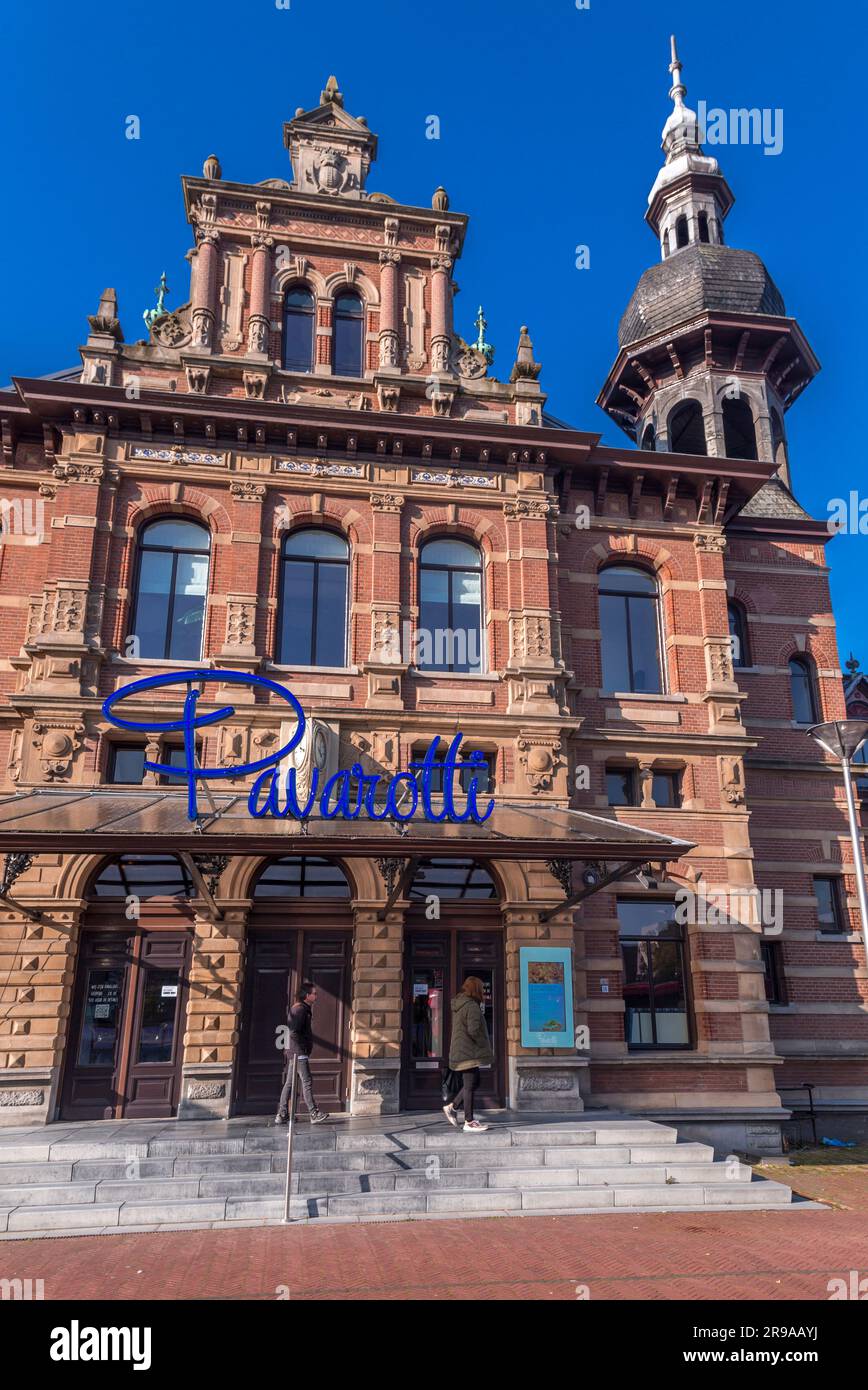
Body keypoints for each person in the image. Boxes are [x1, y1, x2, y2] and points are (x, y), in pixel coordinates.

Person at [443, 976, 493, 1133]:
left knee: (474, 1081)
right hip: (468, 1053)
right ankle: (469, 1121)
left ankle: (453, 1106)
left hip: (463, 1051)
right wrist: (483, 1043)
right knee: (470, 1084)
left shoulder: (461, 1003)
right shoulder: (471, 1006)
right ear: (477, 990)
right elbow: (473, 1030)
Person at [275, 981, 329, 1125]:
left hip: (295, 1052)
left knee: (290, 1084)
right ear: (307, 995)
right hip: (298, 1053)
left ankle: (282, 1114)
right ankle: (314, 1113)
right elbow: (293, 1032)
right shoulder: (300, 1010)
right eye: (314, 994)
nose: (316, 996)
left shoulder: (299, 1008)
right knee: (307, 1081)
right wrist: (303, 1048)